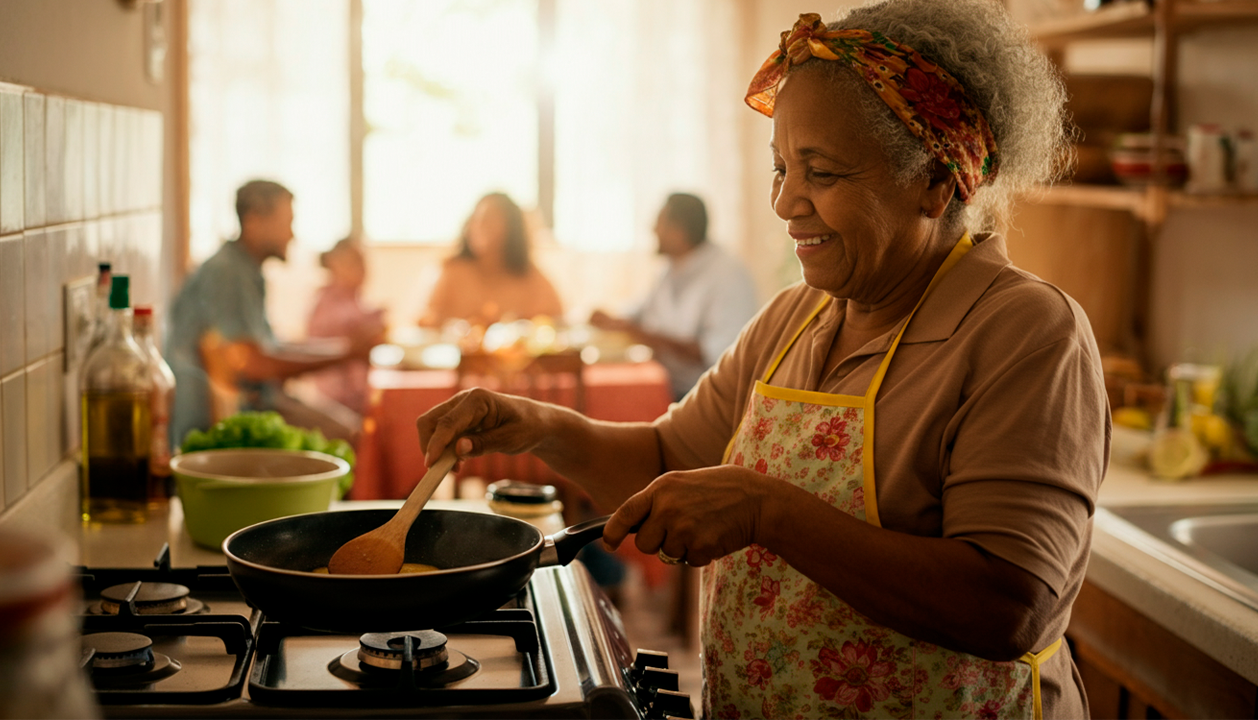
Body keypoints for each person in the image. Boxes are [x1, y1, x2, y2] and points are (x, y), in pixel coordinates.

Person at [418, 1, 1108, 717]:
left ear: (937, 180)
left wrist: (767, 511)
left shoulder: (1023, 331)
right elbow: (665, 461)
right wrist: (541, 427)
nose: (785, 201)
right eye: (781, 167)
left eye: (823, 173)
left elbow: (1007, 605)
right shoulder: (795, 316)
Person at [167, 180, 383, 446]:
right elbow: (254, 364)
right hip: (222, 421)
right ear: (254, 221)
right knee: (354, 439)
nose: (292, 235)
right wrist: (348, 353)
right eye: (287, 223)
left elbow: (270, 349)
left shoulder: (243, 268)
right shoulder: (227, 273)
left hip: (258, 404)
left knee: (357, 429)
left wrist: (345, 348)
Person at [589, 192, 758, 400]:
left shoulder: (729, 276)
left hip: (706, 397)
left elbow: (718, 353)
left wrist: (643, 334)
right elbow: (642, 311)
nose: (653, 230)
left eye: (659, 223)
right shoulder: (671, 268)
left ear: (679, 231)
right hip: (668, 384)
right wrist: (611, 320)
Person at [418, 192, 564, 329]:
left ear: (512, 229)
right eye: (476, 218)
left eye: (490, 220)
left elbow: (557, 321)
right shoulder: (452, 271)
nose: (479, 226)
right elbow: (424, 321)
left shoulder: (530, 276)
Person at [305, 237, 386, 415]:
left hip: (358, 394)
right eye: (354, 263)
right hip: (335, 398)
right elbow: (350, 329)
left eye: (363, 262)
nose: (362, 269)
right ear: (335, 265)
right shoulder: (326, 301)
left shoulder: (355, 300)